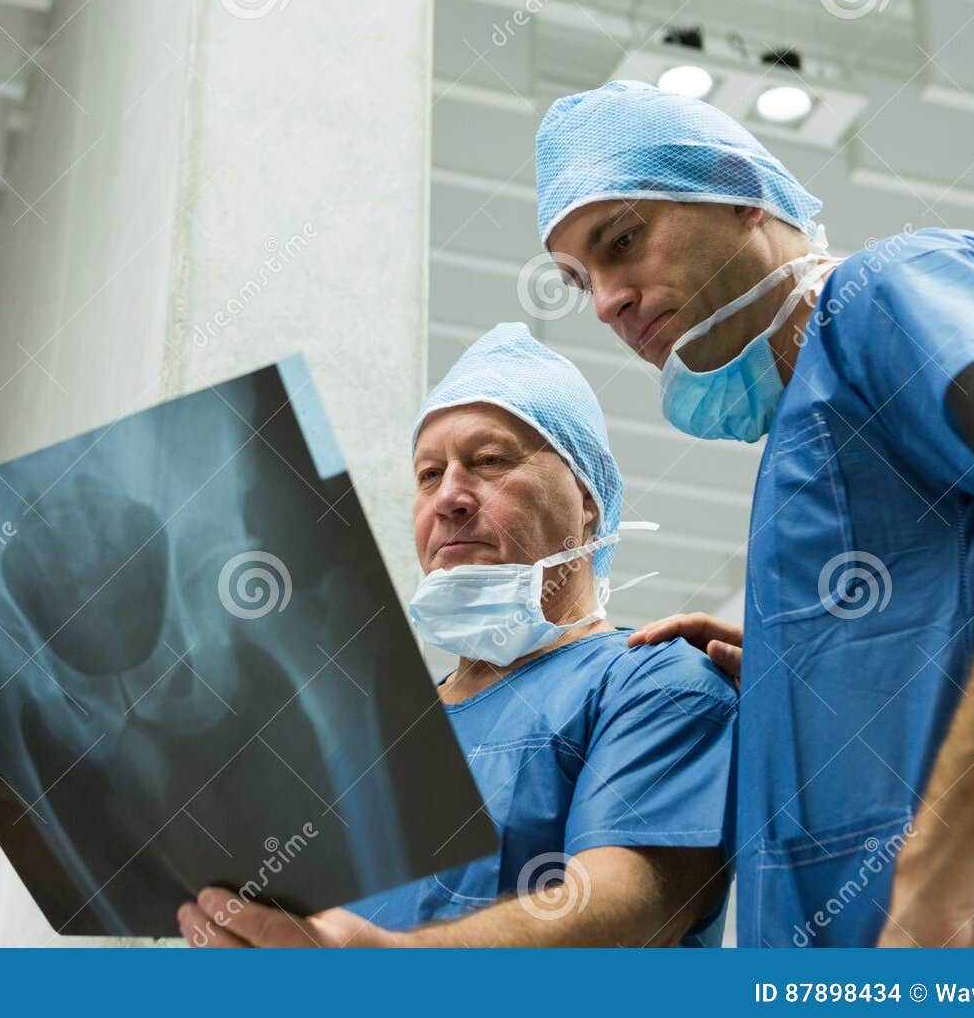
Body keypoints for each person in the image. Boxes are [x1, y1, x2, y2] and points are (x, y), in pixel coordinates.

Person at [535, 79, 974, 947]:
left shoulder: (881, 295)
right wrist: (803, 688)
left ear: (741, 191)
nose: (606, 300)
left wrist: (934, 887)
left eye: (622, 239)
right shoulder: (803, 439)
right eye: (579, 279)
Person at [177, 323, 736, 947]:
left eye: (489, 461)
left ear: (586, 500)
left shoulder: (657, 683)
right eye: (427, 474)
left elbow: (627, 909)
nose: (448, 498)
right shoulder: (377, 739)